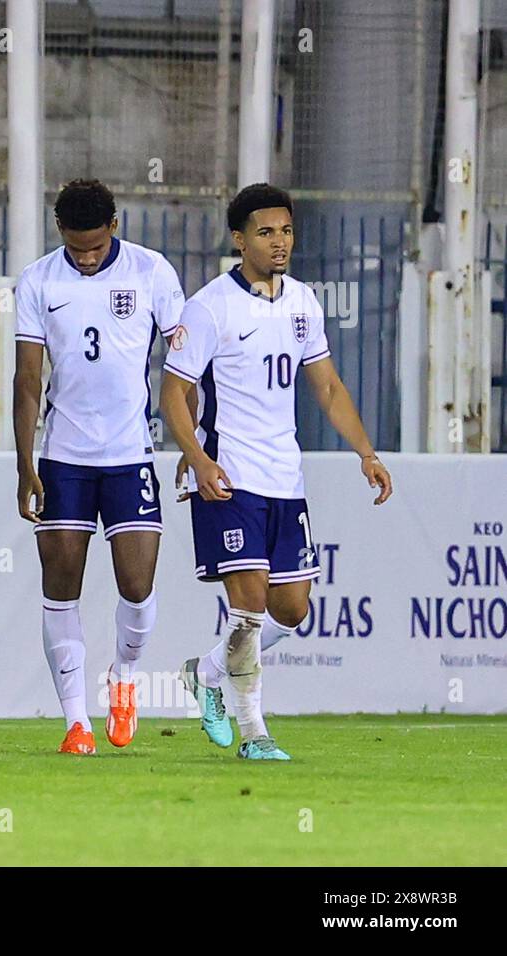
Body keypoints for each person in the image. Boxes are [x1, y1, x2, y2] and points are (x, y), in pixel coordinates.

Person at [160, 183, 393, 761]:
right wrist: (199, 458)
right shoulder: (209, 305)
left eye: (286, 230)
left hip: (285, 479)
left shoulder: (302, 304)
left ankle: (206, 671)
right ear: (239, 240)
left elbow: (329, 388)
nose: (279, 242)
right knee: (248, 608)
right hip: (230, 478)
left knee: (291, 610)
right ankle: (255, 734)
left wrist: (366, 451)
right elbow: (172, 393)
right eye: (266, 232)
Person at [13, 179, 184, 755]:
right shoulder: (38, 280)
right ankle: (76, 722)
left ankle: (124, 679)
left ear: (115, 225)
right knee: (61, 587)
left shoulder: (152, 272)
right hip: (63, 457)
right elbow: (27, 379)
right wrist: (23, 464)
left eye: (95, 247)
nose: (86, 259)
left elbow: (185, 367)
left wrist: (196, 444)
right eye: (75, 247)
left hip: (130, 453)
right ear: (59, 231)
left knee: (137, 587)